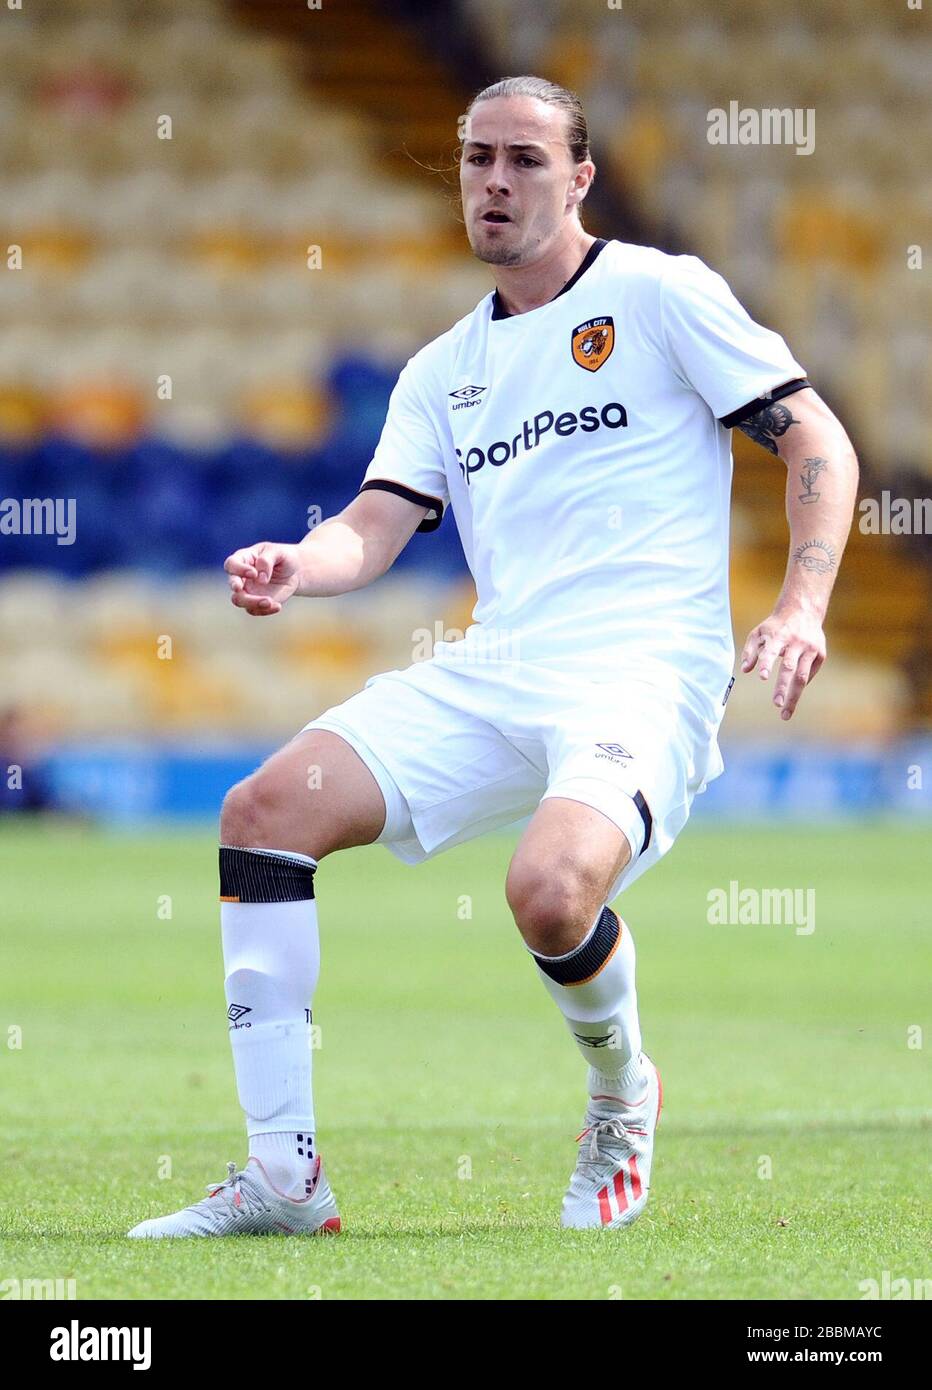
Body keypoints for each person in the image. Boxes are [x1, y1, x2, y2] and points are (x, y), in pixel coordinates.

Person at [128, 76, 858, 1238]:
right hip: (497, 663)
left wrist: (802, 603)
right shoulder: (441, 371)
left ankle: (620, 1091)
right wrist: (297, 565)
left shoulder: (659, 293)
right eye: (477, 159)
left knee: (548, 889)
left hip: (640, 665)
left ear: (579, 177)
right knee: (261, 810)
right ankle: (282, 1176)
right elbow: (373, 524)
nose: (495, 182)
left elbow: (812, 433)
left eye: (524, 159)